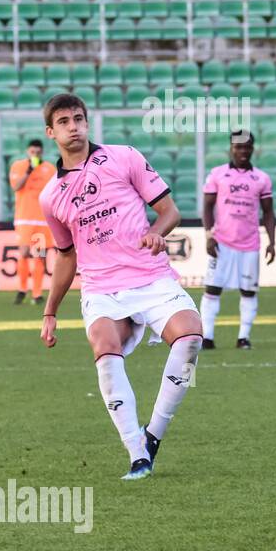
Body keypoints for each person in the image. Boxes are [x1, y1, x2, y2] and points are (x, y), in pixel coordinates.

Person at [37, 94, 202, 480]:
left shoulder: (123, 156)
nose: (73, 126)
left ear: (87, 122)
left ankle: (153, 435)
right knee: (105, 348)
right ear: (51, 132)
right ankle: (137, 454)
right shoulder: (50, 197)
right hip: (101, 290)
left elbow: (169, 211)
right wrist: (50, 311)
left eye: (79, 118)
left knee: (191, 336)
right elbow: (65, 255)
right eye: (64, 121)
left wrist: (156, 233)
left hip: (150, 277)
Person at [199, 130, 275, 350]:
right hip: (222, 242)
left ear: (253, 148)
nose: (243, 151)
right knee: (212, 289)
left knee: (249, 291)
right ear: (231, 148)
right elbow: (206, 206)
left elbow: (268, 212)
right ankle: (208, 337)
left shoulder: (261, 178)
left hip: (250, 244)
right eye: (238, 147)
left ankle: (243, 337)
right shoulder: (217, 174)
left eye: (247, 147)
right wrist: (209, 235)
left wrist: (272, 241)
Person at [9, 138, 56, 305]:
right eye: (32, 151)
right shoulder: (18, 166)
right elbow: (16, 187)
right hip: (23, 219)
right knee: (23, 253)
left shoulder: (50, 169)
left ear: (41, 152)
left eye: (37, 152)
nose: (35, 154)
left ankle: (36, 293)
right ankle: (22, 289)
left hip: (42, 221)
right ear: (28, 151)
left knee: (39, 256)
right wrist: (29, 171)